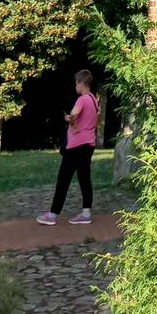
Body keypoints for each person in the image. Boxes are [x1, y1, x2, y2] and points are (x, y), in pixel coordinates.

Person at [37, 69, 99, 226]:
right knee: (85, 179)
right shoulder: (93, 99)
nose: (75, 85)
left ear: (81, 83)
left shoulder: (82, 100)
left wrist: (69, 118)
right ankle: (86, 213)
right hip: (88, 144)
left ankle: (52, 215)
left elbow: (73, 115)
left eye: (76, 82)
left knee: (63, 180)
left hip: (76, 146)